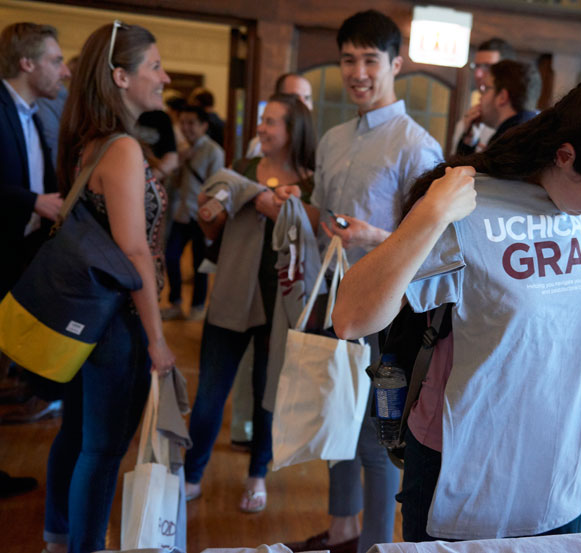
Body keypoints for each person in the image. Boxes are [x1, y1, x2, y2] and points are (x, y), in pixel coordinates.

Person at [332, 76, 581, 541]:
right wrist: (429, 215)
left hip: (564, 468)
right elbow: (351, 317)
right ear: (566, 156)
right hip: (468, 466)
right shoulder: (472, 205)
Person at [283, 10, 442, 553]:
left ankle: (376, 546)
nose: (358, 72)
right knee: (334, 416)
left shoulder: (416, 145)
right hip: (333, 301)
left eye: (370, 60)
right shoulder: (331, 139)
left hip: (386, 310)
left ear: (395, 64)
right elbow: (323, 215)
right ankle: (343, 530)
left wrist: (376, 236)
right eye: (349, 59)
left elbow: (436, 246)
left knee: (377, 439)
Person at [42, 20, 175, 553]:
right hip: (116, 319)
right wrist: (158, 338)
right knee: (102, 450)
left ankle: (59, 540)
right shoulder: (121, 148)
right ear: (120, 76)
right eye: (154, 67)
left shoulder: (87, 140)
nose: (163, 78)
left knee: (76, 436)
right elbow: (134, 248)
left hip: (87, 314)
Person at [184, 92, 315, 512]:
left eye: (272, 122)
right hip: (232, 297)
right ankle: (191, 473)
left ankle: (257, 473)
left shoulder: (312, 182)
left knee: (267, 393)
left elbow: (317, 231)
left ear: (293, 131)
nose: (262, 128)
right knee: (209, 394)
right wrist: (213, 210)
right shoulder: (238, 169)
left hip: (283, 302)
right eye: (263, 120)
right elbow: (213, 230)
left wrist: (256, 197)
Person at [0, 22, 70, 423]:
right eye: (56, 60)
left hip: (19, 254)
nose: (64, 70)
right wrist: (34, 201)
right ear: (27, 63)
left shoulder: (31, 115)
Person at [162, 103, 224, 321]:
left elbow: (219, 190)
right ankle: (175, 302)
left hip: (201, 218)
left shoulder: (213, 151)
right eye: (183, 122)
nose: (186, 128)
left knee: (200, 265)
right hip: (181, 214)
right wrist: (179, 162)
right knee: (171, 257)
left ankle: (198, 306)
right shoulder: (181, 150)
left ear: (204, 126)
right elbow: (175, 183)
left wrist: (212, 218)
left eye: (192, 123)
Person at [456, 59, 540, 155]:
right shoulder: (530, 132)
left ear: (502, 97)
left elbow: (461, 170)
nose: (480, 97)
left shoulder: (508, 142)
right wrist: (469, 139)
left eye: (486, 89)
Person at [453, 37, 516, 154]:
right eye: (476, 66)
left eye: (487, 66)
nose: (478, 74)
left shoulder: (521, 126)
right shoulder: (466, 122)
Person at [245, 72, 314, 159]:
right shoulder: (260, 147)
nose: (303, 104)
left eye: (307, 98)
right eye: (295, 98)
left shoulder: (321, 150)